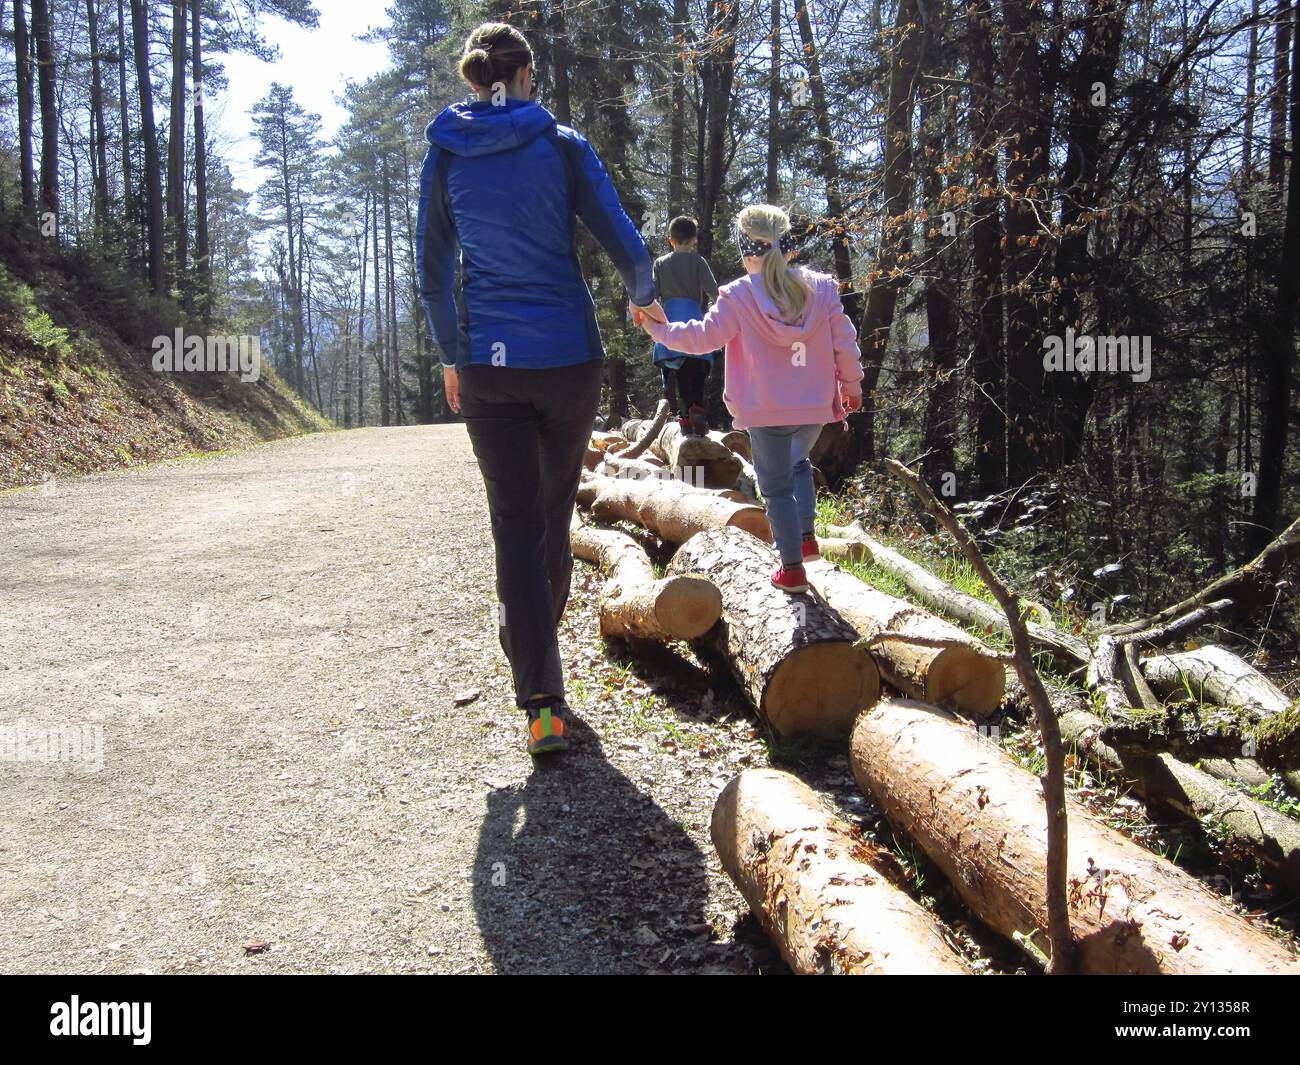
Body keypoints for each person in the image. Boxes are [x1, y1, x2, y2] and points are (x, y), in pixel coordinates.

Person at [417, 21, 665, 757]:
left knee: (517, 522)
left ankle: (540, 695)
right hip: (566, 360)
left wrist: (452, 354)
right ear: (524, 74)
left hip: (489, 366)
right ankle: (534, 644)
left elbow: (432, 268)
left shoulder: (446, 151)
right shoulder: (561, 143)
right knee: (551, 515)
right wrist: (642, 292)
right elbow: (621, 235)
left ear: (473, 80)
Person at [639, 204, 863, 593]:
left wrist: (660, 331)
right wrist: (852, 385)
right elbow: (844, 340)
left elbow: (702, 337)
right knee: (799, 464)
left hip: (765, 410)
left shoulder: (740, 295)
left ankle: (792, 568)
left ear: (746, 252)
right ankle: (807, 537)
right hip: (813, 408)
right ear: (788, 247)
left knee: (775, 487)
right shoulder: (821, 289)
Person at [651, 216, 718, 435]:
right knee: (698, 365)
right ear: (694, 240)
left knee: (678, 368)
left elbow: (653, 295)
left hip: (670, 322)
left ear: (671, 240)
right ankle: (697, 407)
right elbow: (714, 292)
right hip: (694, 319)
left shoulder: (660, 263)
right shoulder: (698, 262)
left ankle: (685, 417)